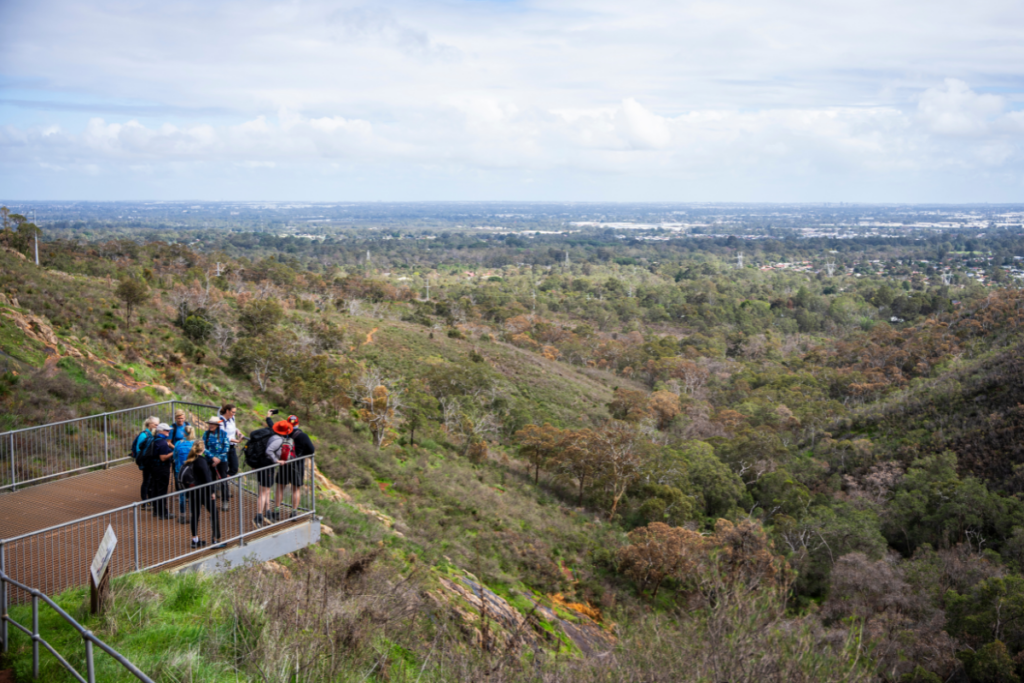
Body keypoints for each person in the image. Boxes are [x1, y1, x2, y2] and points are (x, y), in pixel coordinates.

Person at [264, 411, 314, 520]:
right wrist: (300, 455)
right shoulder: (303, 436)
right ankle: (294, 513)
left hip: (284, 463)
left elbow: (273, 427)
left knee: (280, 487)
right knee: (295, 489)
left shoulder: (283, 433)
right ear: (298, 423)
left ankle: (276, 511)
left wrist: (268, 417)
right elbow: (311, 450)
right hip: (297, 465)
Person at [180, 441, 222, 549]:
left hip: (193, 492)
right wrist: (212, 491)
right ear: (203, 449)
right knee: (214, 513)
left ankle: (195, 540)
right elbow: (207, 478)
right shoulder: (201, 461)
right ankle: (215, 540)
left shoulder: (189, 460)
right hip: (204, 492)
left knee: (195, 515)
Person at [254, 420, 292, 528]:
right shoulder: (278, 439)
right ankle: (258, 517)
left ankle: (267, 512)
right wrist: (276, 460)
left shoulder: (274, 436)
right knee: (263, 492)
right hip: (267, 466)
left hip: (265, 465)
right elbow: (269, 451)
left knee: (266, 491)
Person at [218, 404, 244, 511]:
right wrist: (237, 440)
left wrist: (238, 432)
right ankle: (225, 500)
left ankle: (223, 481)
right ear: (227, 411)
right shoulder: (220, 421)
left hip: (232, 448)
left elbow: (234, 428)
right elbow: (225, 437)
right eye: (233, 412)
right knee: (223, 472)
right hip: (224, 448)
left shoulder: (232, 418)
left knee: (234, 468)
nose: (234, 414)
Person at [148, 423, 175, 519]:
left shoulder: (155, 439)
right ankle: (163, 513)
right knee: (162, 490)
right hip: (162, 469)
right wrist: (173, 453)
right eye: (167, 430)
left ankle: (156, 510)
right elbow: (163, 458)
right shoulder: (163, 443)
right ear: (161, 431)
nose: (169, 431)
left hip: (154, 468)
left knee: (155, 488)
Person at [133, 416, 160, 506]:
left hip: (151, 462)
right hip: (146, 462)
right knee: (147, 481)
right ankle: (144, 501)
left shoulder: (152, 434)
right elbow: (139, 450)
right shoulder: (143, 435)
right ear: (149, 424)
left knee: (151, 481)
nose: (157, 426)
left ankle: (150, 499)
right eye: (156, 424)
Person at [202, 415, 230, 503]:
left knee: (223, 480)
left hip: (222, 461)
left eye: (213, 424)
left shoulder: (223, 434)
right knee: (210, 480)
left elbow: (226, 447)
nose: (211, 425)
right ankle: (211, 499)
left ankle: (225, 500)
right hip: (210, 461)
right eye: (210, 423)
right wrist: (212, 457)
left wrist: (219, 459)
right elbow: (203, 448)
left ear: (217, 425)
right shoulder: (206, 434)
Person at [173, 425, 196, 524]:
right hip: (191, 472)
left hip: (179, 471)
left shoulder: (178, 443)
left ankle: (182, 516)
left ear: (184, 433)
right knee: (192, 494)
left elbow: (174, 457)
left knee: (182, 494)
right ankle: (192, 516)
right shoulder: (194, 444)